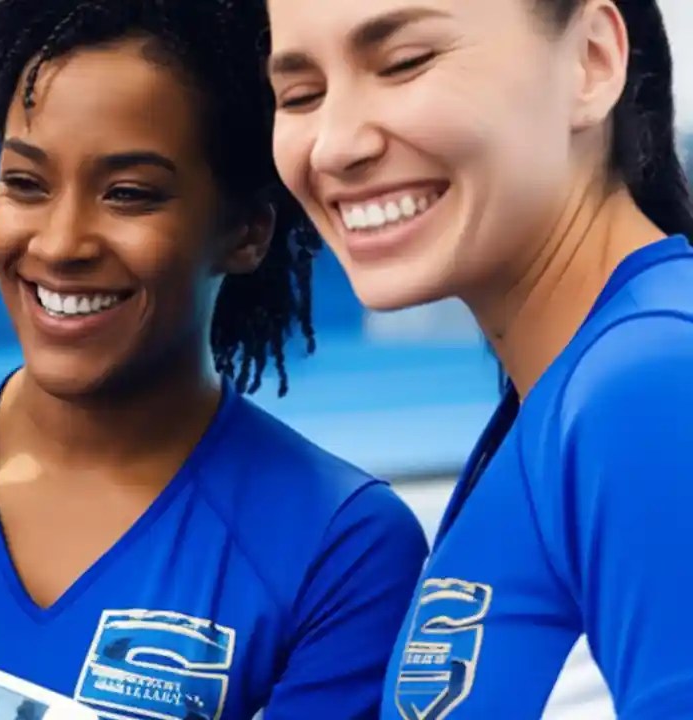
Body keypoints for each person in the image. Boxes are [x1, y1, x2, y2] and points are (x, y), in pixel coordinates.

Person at [0, 1, 427, 717]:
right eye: (26, 183)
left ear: (247, 231)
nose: (62, 243)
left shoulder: (341, 549)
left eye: (128, 194)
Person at [264, 0, 693, 716]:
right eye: (301, 94)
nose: (334, 146)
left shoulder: (649, 383)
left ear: (591, 60)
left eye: (405, 63)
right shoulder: (559, 401)